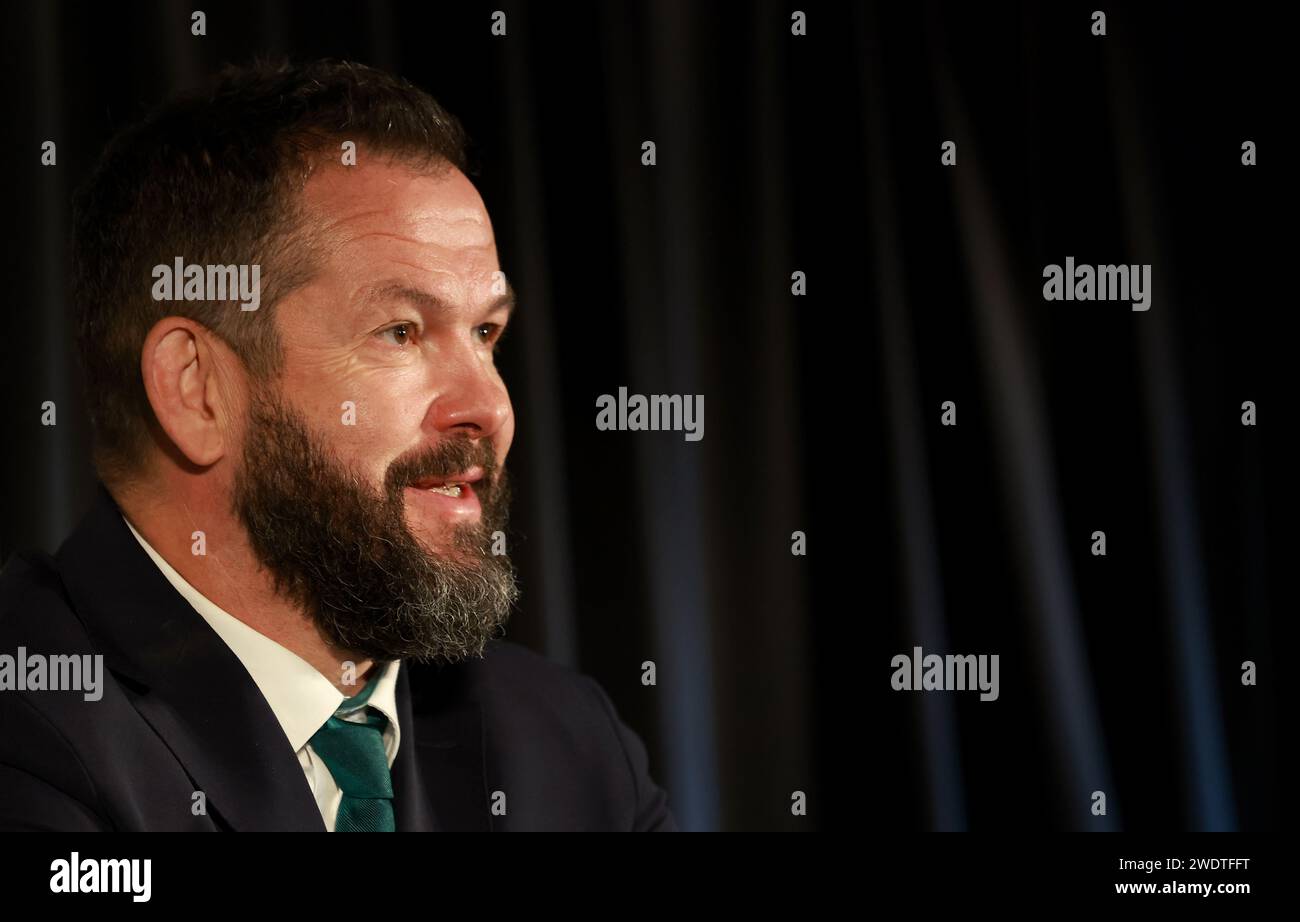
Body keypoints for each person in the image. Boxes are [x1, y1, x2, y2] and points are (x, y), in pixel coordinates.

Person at [0, 58, 676, 831]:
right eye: (401, 332)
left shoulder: (569, 746)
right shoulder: (29, 731)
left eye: (487, 333)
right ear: (196, 390)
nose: (490, 406)